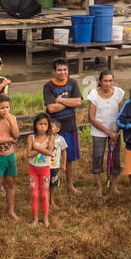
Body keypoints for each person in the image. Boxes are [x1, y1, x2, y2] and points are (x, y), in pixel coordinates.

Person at [42, 59, 83, 196]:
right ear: (54, 71)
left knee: (69, 158)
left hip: (70, 125)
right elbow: (51, 109)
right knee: (50, 156)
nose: (62, 72)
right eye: (59, 70)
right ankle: (49, 185)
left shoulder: (72, 83)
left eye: (65, 69)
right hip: (53, 128)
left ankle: (70, 185)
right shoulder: (48, 86)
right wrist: (69, 102)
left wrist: (60, 100)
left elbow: (78, 101)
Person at [86, 70, 125, 197]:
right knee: (97, 157)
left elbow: (121, 114)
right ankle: (99, 188)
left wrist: (115, 132)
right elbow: (91, 118)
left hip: (115, 130)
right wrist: (108, 132)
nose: (108, 83)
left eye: (110, 81)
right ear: (100, 81)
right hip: (99, 131)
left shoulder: (119, 93)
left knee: (116, 158)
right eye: (105, 81)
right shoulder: (93, 94)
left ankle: (113, 186)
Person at [0, 93, 20, 222]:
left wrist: (12, 123)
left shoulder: (12, 118)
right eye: (2, 108)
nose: (5, 110)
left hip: (10, 155)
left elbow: (17, 135)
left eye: (7, 107)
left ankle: (11, 210)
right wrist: (10, 139)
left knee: (10, 184)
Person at [24, 113, 53, 227]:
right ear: (35, 125)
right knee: (34, 195)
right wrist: (41, 148)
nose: (42, 127)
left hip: (45, 170)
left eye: (45, 124)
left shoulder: (51, 137)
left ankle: (45, 217)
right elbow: (29, 154)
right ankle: (35, 218)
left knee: (45, 195)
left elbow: (50, 153)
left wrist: (36, 147)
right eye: (40, 124)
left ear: (48, 126)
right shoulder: (31, 137)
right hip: (33, 171)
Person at [47, 117, 68, 202]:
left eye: (52, 126)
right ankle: (45, 200)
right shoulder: (45, 138)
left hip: (55, 165)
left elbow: (64, 152)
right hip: (45, 164)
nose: (49, 128)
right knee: (45, 183)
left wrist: (64, 164)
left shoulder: (60, 139)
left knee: (52, 184)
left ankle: (51, 200)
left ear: (58, 129)